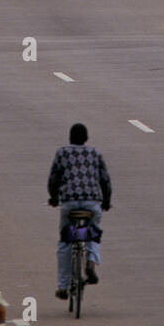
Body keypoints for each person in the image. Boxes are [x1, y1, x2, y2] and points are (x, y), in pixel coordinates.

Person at [48, 123, 112, 298]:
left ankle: (62, 286)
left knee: (65, 242)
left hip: (69, 203)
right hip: (92, 202)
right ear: (86, 138)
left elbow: (54, 178)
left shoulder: (62, 153)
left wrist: (53, 198)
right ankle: (91, 261)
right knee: (93, 233)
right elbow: (105, 180)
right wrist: (106, 201)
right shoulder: (95, 153)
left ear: (70, 138)